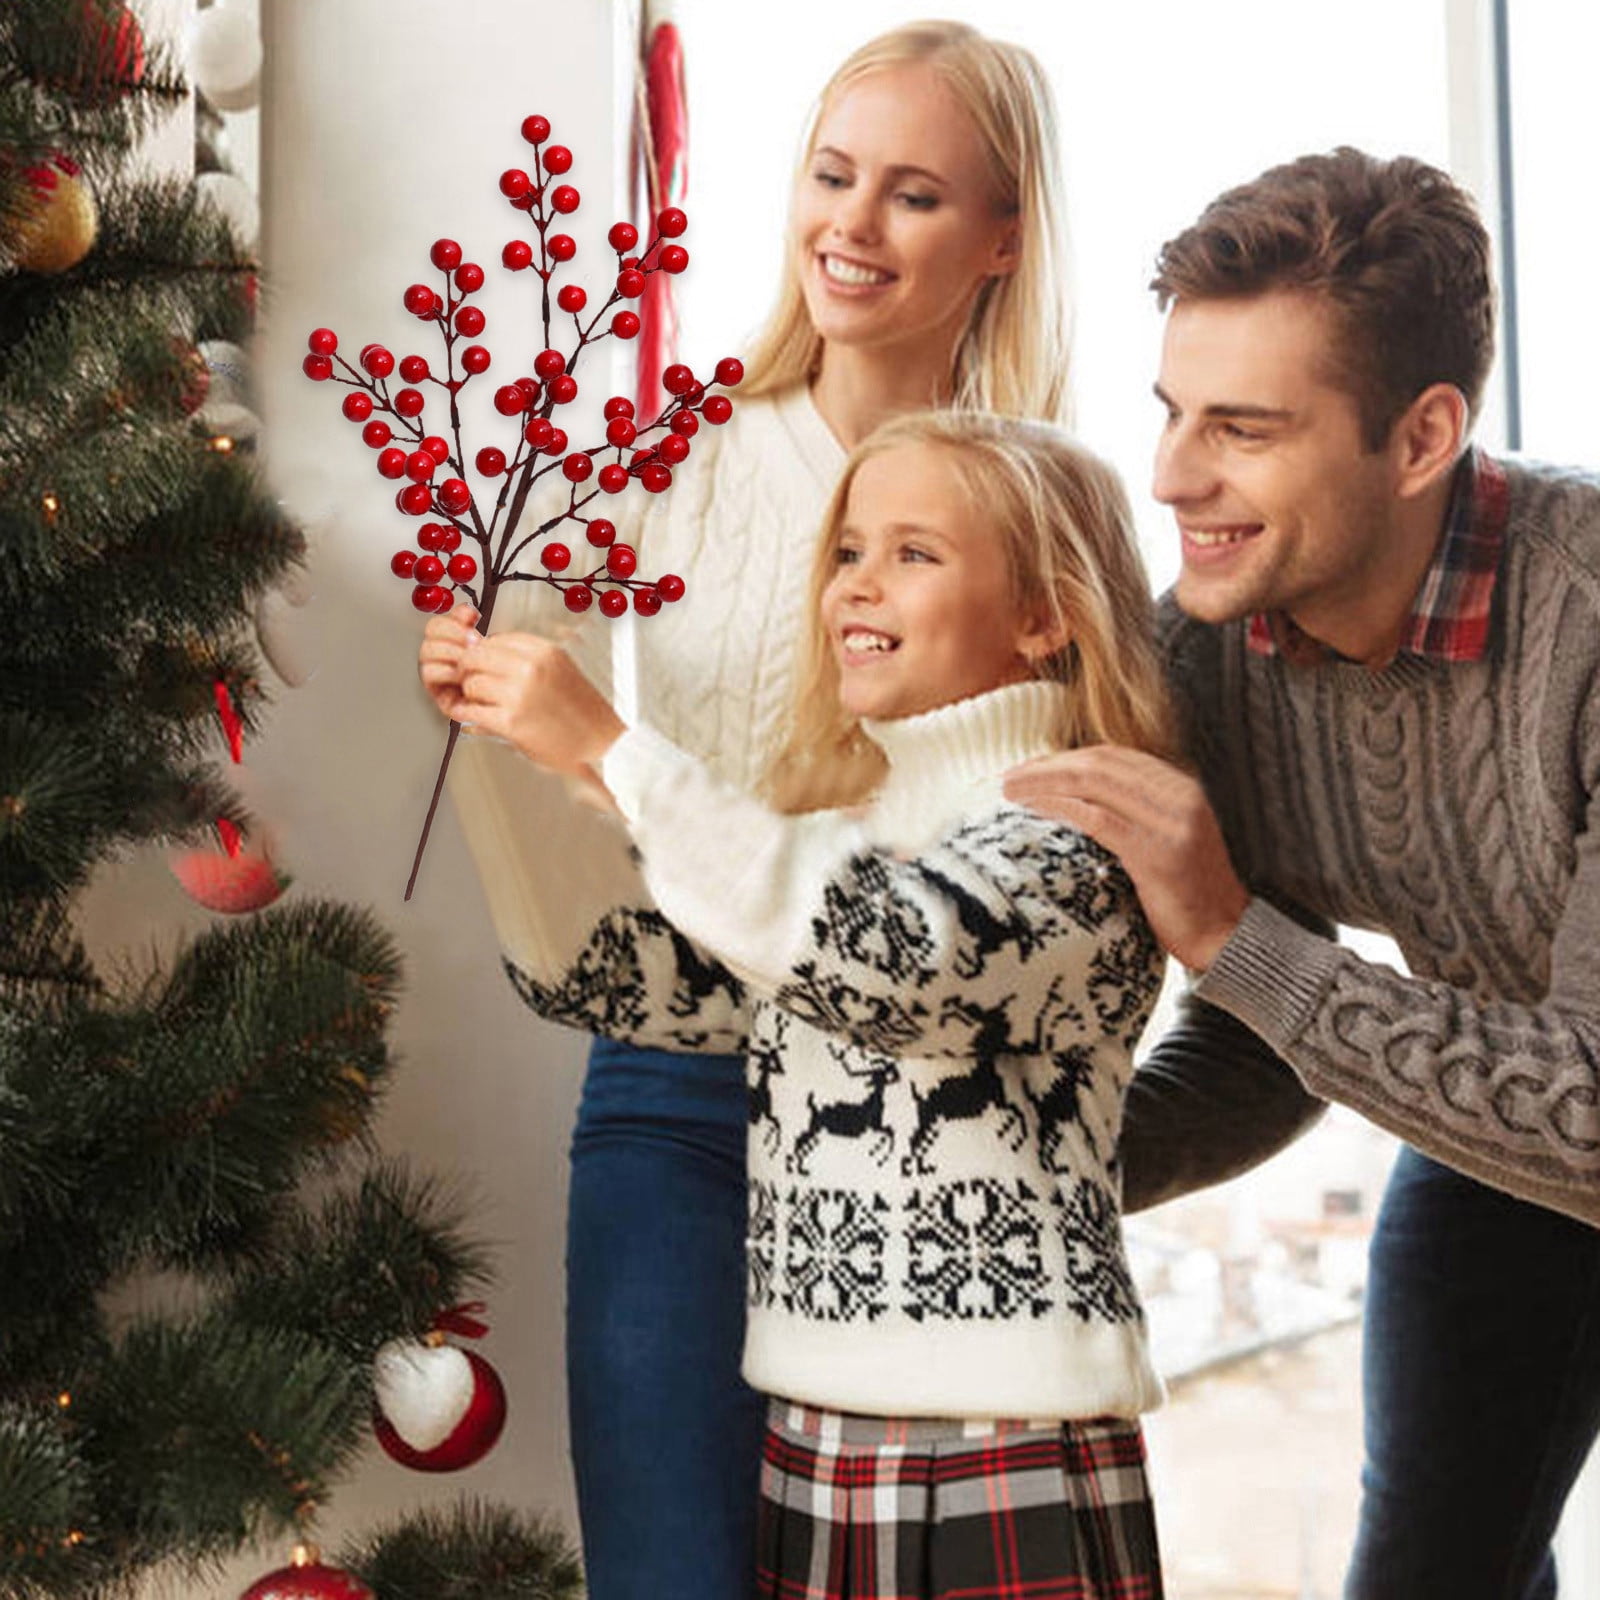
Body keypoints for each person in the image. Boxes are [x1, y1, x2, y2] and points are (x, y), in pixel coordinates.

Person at [435, 22, 1073, 1600]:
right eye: (832, 175)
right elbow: (552, 725)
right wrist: (486, 674)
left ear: (1003, 238)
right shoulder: (677, 453)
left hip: (924, 1131)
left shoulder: (1042, 507)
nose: (852, 224)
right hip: (678, 1101)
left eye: (914, 194)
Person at [424, 409, 1173, 1599]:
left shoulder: (1077, 840)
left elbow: (892, 954)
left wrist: (612, 750)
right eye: (847, 552)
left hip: (1003, 1440)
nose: (855, 584)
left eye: (912, 553)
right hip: (820, 1439)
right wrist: (499, 750)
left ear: (1043, 616)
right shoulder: (836, 839)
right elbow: (606, 976)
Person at [1005, 147, 1600, 1600]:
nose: (1172, 476)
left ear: (1422, 435)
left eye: (1245, 429)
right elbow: (1268, 1039)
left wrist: (1226, 931)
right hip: (1516, 1132)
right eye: (1173, 412)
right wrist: (1034, 1165)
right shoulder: (1209, 654)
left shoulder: (1587, 621)